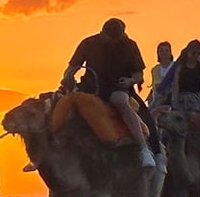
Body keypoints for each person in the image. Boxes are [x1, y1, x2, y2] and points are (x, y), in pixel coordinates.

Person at [61, 18, 159, 168]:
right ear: (102, 33)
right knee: (62, 104)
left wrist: (130, 81)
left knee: (120, 101)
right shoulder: (88, 43)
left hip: (117, 86)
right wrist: (68, 77)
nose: (111, 42)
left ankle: (144, 149)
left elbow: (138, 74)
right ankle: (46, 151)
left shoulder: (129, 45)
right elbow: (73, 66)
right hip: (90, 85)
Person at [146, 41, 173, 108]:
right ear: (158, 53)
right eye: (162, 51)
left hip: (172, 99)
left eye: (167, 50)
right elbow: (154, 87)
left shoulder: (176, 67)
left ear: (170, 52)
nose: (164, 53)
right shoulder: (154, 70)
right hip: (157, 100)